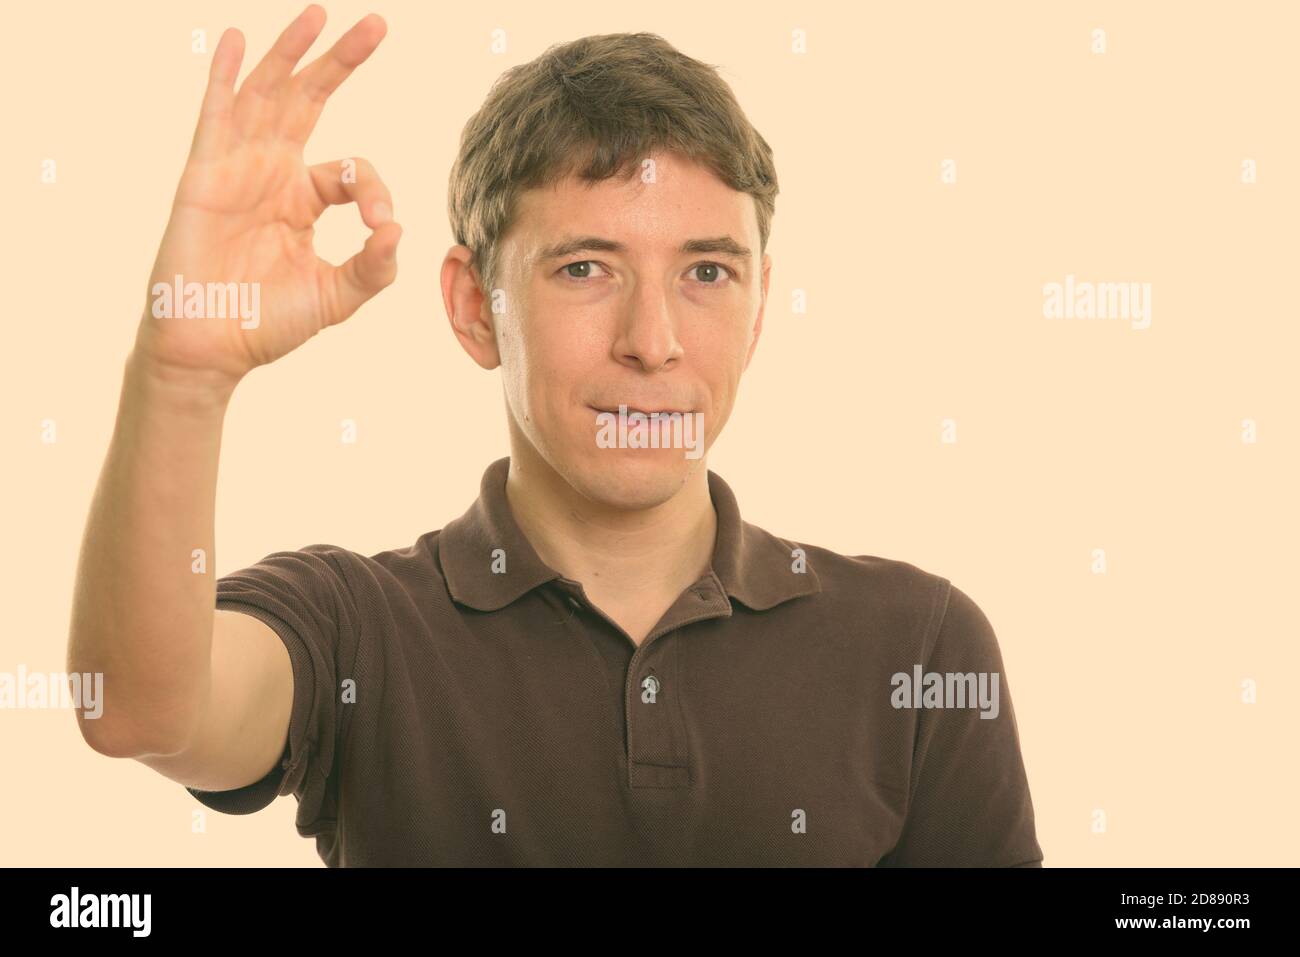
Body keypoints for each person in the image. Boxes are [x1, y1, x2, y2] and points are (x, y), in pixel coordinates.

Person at [68, 4, 1043, 867]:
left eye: (706, 272)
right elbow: (139, 711)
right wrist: (182, 376)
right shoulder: (355, 629)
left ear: (756, 309)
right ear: (473, 309)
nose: (652, 344)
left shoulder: (917, 642)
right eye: (585, 268)